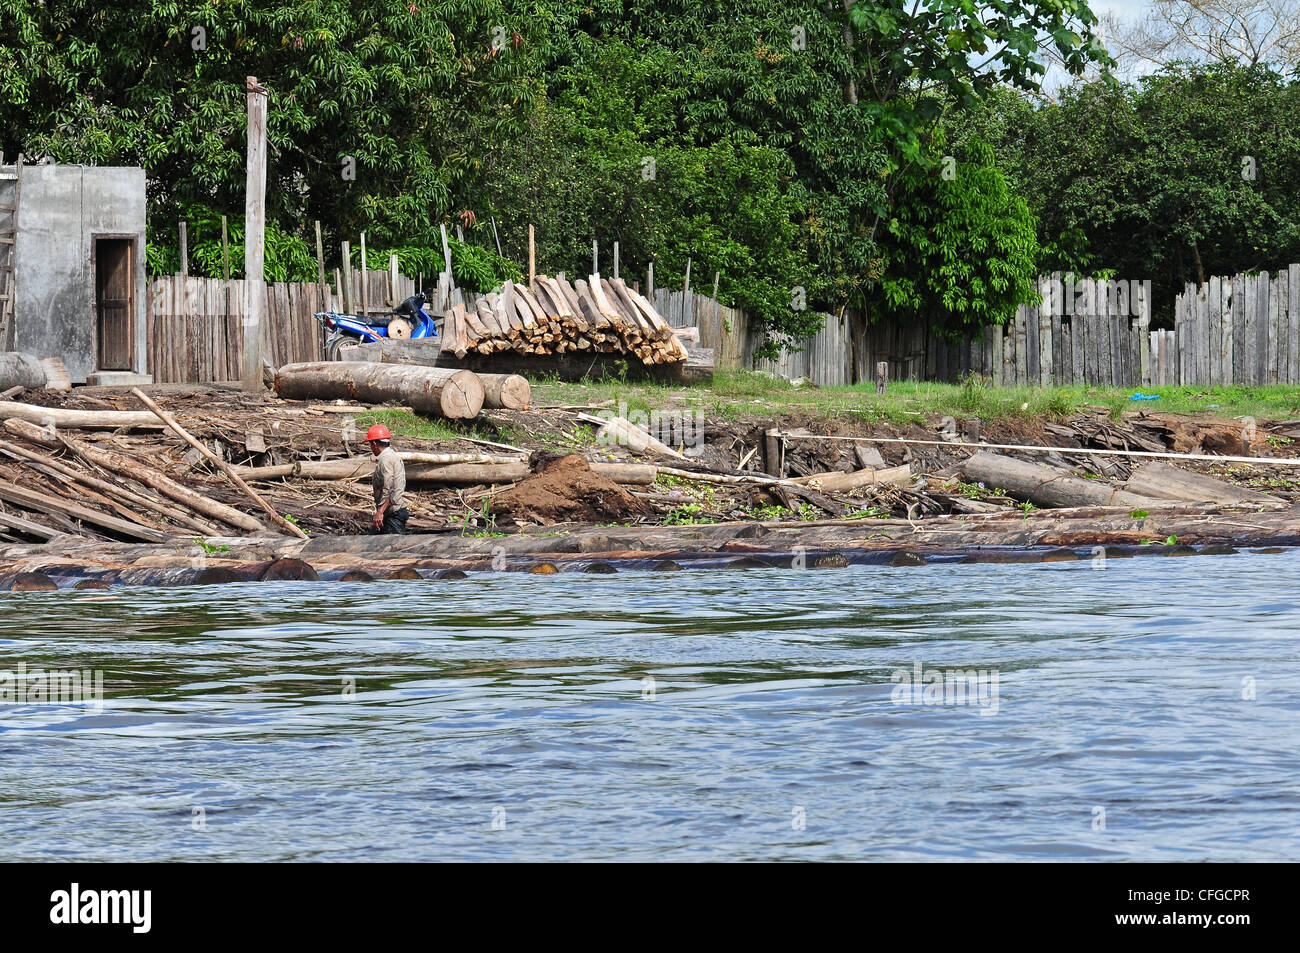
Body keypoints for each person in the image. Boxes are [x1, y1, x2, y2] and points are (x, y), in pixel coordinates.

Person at [365, 424, 409, 535]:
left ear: (374, 444)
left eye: (370, 445)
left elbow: (389, 488)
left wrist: (380, 512)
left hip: (393, 514)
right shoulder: (391, 455)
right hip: (389, 513)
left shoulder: (385, 460)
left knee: (395, 547)